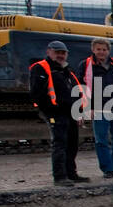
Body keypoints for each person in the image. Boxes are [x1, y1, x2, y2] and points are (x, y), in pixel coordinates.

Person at [29, 41, 88, 185]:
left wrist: (79, 112)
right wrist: (50, 111)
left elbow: (76, 93)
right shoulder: (41, 68)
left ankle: (71, 174)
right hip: (56, 113)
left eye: (63, 53)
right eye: (57, 52)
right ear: (49, 52)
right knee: (60, 143)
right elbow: (37, 93)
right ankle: (60, 176)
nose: (60, 55)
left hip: (70, 113)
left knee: (72, 144)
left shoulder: (67, 71)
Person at [80, 38, 113, 178]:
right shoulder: (86, 65)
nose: (101, 52)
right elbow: (81, 87)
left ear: (108, 50)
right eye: (98, 49)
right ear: (93, 50)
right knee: (101, 140)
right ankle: (107, 169)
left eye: (104, 49)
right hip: (98, 107)